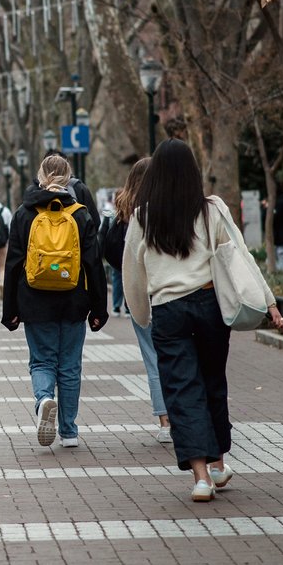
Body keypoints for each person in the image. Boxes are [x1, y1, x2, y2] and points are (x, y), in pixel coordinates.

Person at [123, 140, 283, 503]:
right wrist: (268, 301)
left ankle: (201, 478)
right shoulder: (212, 209)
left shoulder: (142, 215)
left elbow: (132, 272)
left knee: (182, 390)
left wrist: (141, 313)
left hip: (168, 310)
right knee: (212, 382)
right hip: (210, 306)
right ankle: (217, 463)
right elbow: (240, 256)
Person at [2, 154, 108, 449]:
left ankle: (44, 400)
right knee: (70, 366)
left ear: (41, 175)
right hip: (74, 300)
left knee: (42, 360)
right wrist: (100, 309)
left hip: (34, 301)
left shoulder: (24, 214)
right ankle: (69, 432)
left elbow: (13, 264)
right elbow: (93, 264)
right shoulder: (80, 213)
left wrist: (10, 309)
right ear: (68, 176)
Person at [112, 158, 172, 443]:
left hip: (137, 291)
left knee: (152, 357)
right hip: (165, 288)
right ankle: (183, 414)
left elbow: (111, 250)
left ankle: (164, 421)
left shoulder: (123, 208)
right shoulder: (163, 208)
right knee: (177, 354)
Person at [99, 202, 126, 316]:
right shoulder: (133, 216)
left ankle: (116, 307)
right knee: (128, 280)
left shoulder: (110, 215)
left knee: (116, 280)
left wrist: (100, 253)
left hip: (115, 255)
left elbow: (103, 233)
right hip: (127, 254)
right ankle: (129, 308)